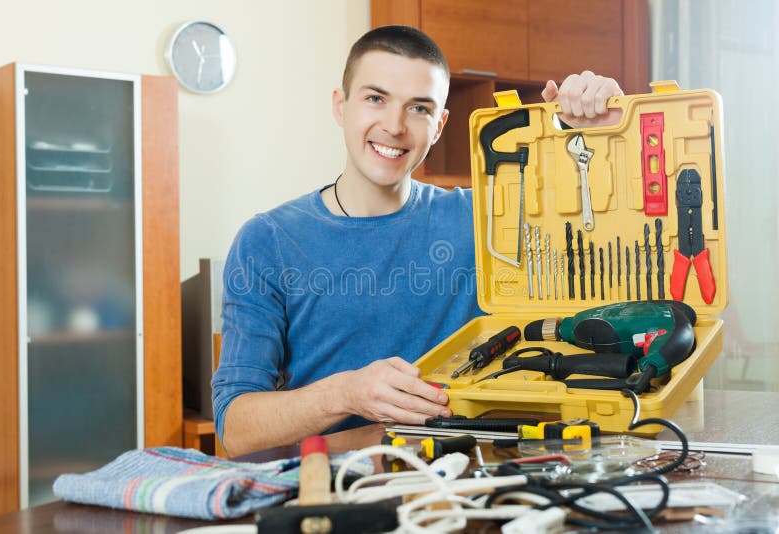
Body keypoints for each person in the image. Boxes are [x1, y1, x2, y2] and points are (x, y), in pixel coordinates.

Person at [213, 25, 623, 456]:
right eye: (376, 98)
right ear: (341, 105)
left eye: (419, 108)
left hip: (476, 478)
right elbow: (236, 427)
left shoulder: (485, 219)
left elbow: (606, 250)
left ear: (440, 124)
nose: (394, 126)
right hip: (337, 488)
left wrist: (606, 134)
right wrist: (346, 393)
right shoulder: (268, 241)